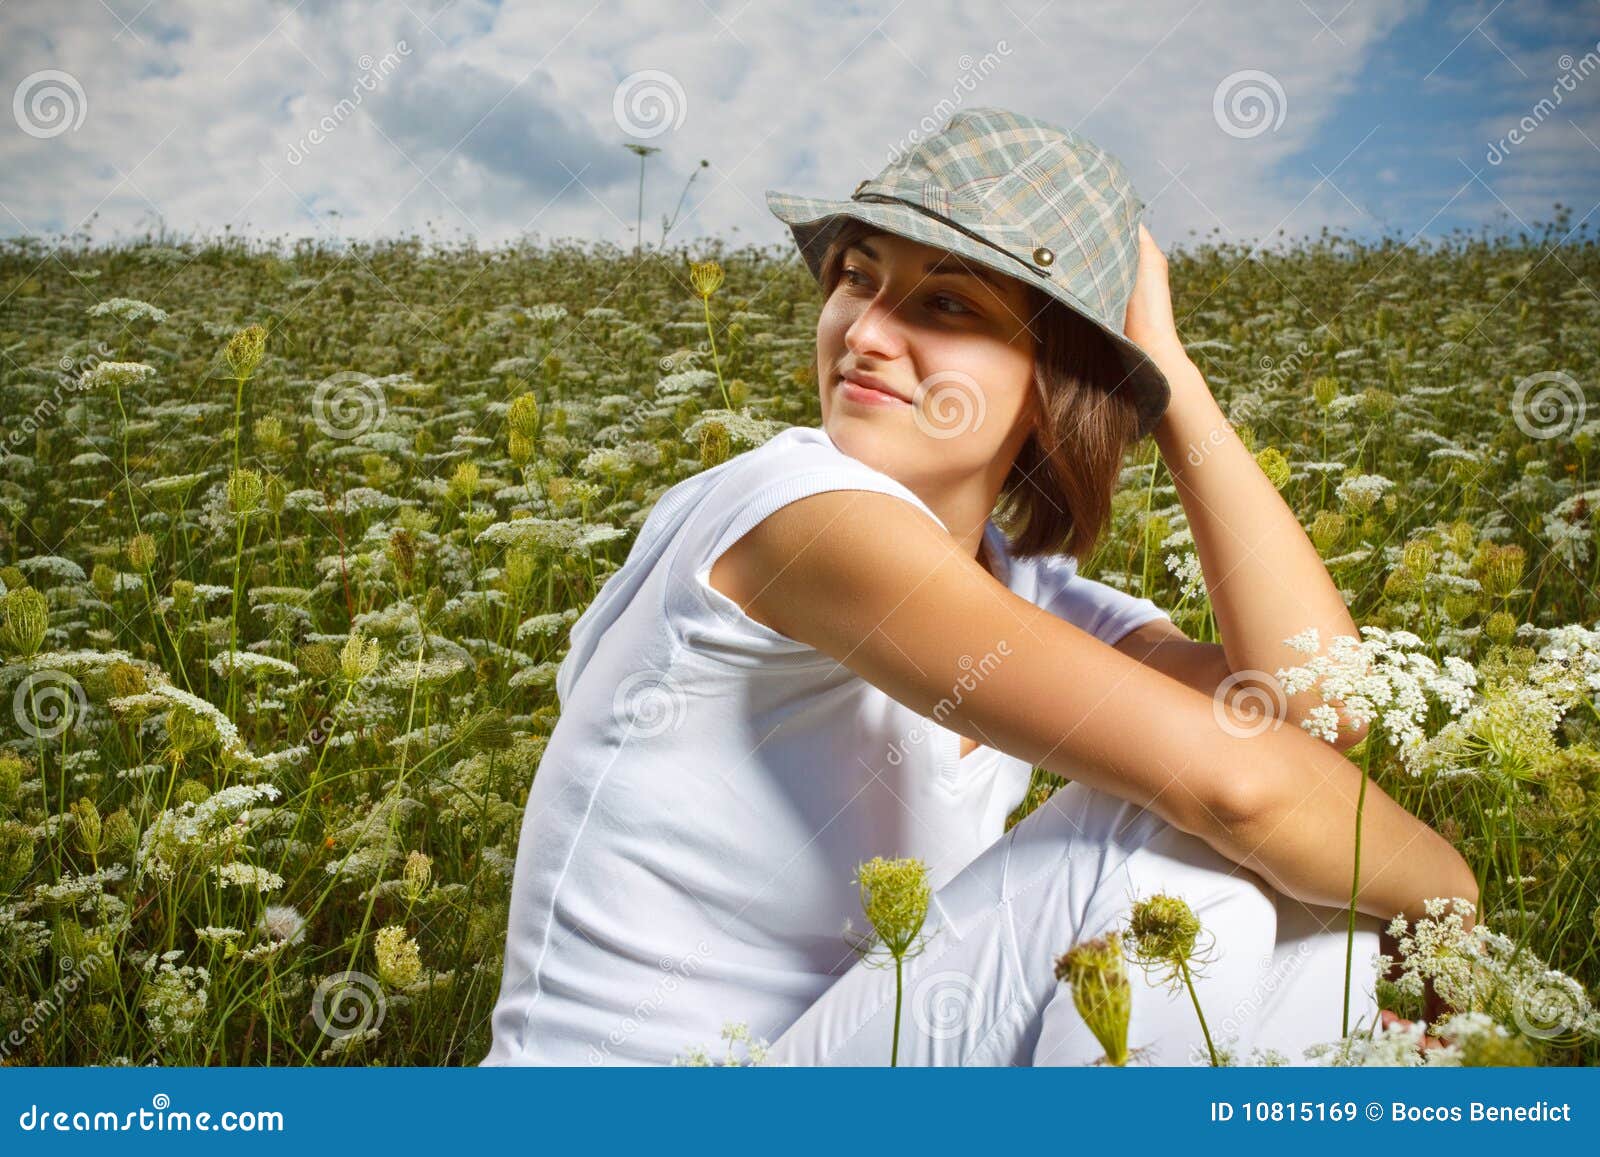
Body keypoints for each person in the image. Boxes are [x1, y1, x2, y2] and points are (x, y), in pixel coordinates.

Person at [479, 108, 1477, 1067]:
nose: (864, 333)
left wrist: (1165, 376)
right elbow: (1243, 788)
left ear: (1056, 383)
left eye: (946, 303)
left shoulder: (1026, 591)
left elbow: (1322, 707)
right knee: (1167, 840)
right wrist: (1450, 895)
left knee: (1321, 919)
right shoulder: (795, 512)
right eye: (856, 278)